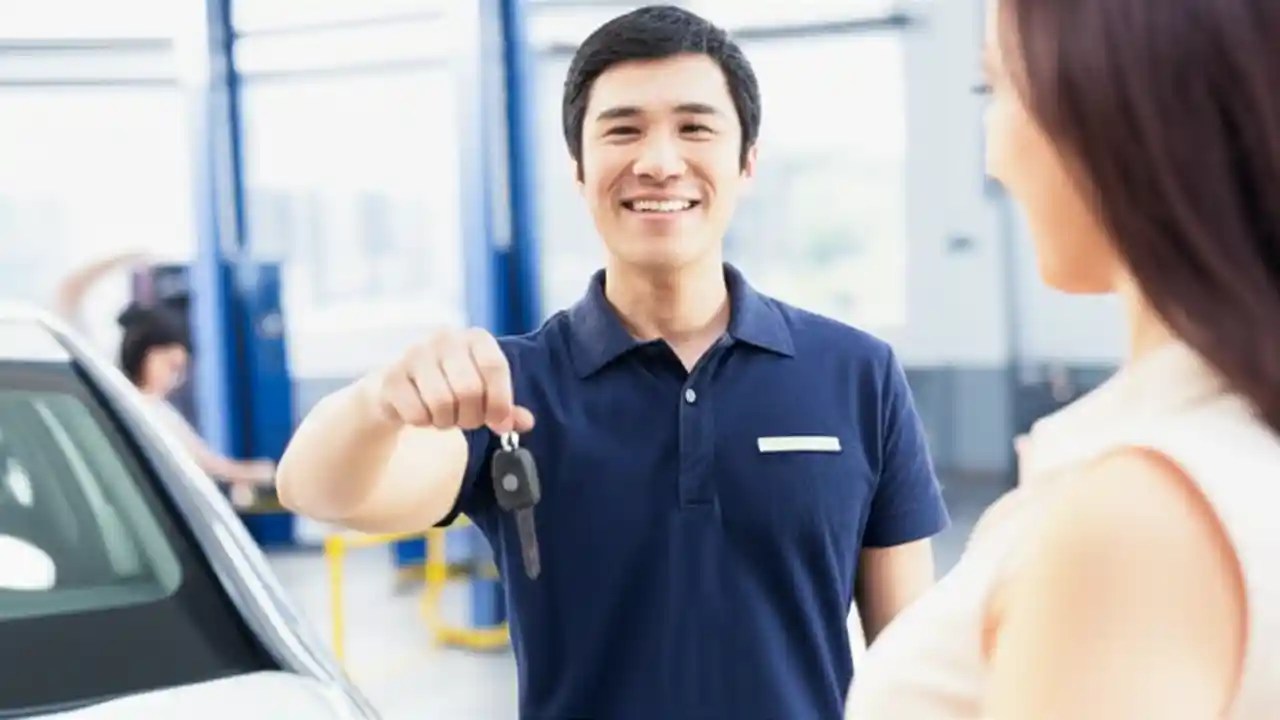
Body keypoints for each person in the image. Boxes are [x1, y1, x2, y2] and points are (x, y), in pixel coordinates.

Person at [276, 5, 949, 719]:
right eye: (623, 130)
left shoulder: (856, 374)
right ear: (579, 168)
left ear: (747, 161)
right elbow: (316, 489)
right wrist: (379, 401)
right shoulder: (509, 391)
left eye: (695, 128)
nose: (658, 162)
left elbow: (916, 666)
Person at [845, 0, 1280, 717]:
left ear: (1115, 105)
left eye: (997, 88)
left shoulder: (1140, 517)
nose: (992, 157)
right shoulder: (1216, 449)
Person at [56, 253, 276, 492]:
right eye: (171, 366)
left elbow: (209, 463)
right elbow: (69, 293)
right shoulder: (109, 387)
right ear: (145, 352)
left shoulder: (159, 409)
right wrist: (124, 256)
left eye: (181, 370)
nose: (175, 379)